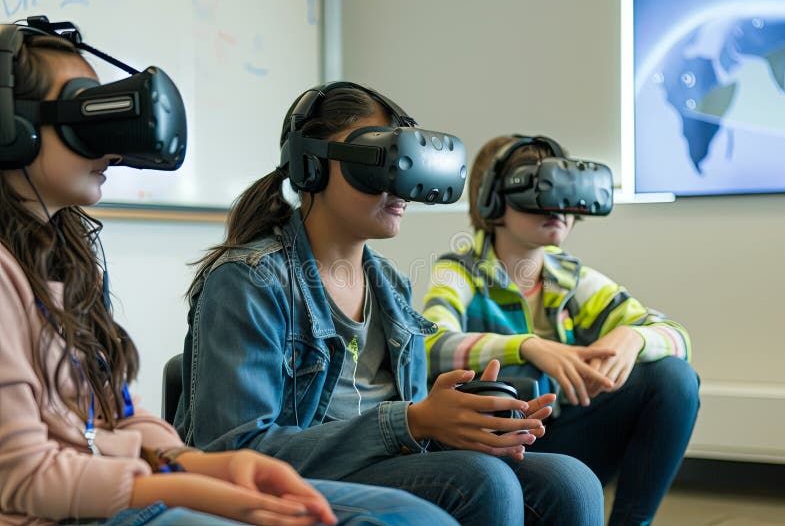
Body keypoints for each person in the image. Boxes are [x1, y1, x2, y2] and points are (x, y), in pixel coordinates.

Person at [0, 22, 458, 526]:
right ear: (8, 126)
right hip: (75, 508)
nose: (108, 147)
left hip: (126, 486)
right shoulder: (252, 278)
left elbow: (117, 413)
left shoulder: (70, 263)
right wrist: (186, 488)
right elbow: (27, 477)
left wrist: (199, 464)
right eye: (84, 114)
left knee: (423, 511)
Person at [174, 82, 605, 526]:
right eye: (383, 163)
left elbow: (413, 424)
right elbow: (233, 452)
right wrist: (411, 422)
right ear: (311, 165)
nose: (402, 185)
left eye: (407, 167)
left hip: (378, 465)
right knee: (479, 481)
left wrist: (465, 423)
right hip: (296, 480)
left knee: (570, 481)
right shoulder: (250, 280)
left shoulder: (391, 286)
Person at [423, 134, 701, 525]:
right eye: (538, 189)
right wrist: (528, 347)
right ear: (491, 198)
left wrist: (633, 336)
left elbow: (677, 337)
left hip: (564, 436)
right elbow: (431, 343)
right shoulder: (460, 271)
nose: (556, 205)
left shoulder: (569, 278)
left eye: (564, 189)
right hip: (490, 451)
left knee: (673, 377)